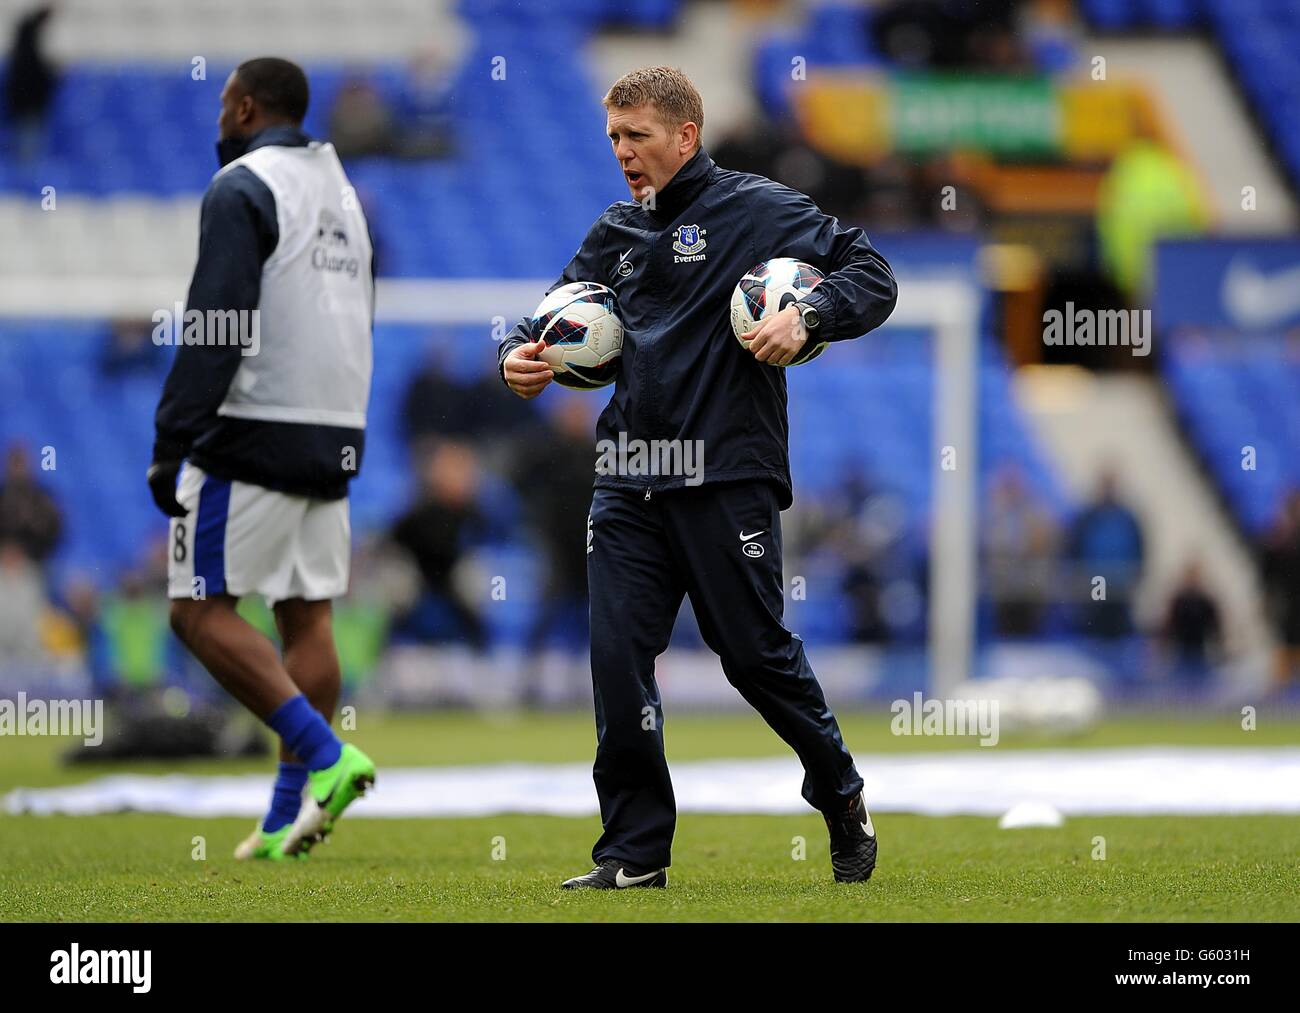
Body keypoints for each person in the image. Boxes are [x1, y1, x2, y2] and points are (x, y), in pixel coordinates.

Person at [498, 67, 897, 888]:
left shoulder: (758, 209)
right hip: (628, 478)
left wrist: (809, 315)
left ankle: (840, 789)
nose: (622, 152)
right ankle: (634, 854)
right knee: (616, 659)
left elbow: (873, 273)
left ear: (685, 136)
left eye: (636, 135)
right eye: (613, 137)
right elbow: (548, 313)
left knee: (754, 656)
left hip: (726, 474)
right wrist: (516, 354)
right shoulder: (615, 230)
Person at [147, 57, 376, 862]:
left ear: (244, 107)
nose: (219, 119)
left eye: (222, 105)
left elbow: (216, 324)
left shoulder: (244, 185)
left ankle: (327, 755)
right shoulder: (343, 191)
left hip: (252, 426)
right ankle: (287, 815)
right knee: (304, 614)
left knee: (197, 609)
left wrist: (172, 436)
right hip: (336, 427)